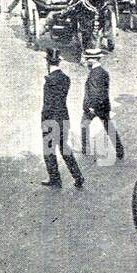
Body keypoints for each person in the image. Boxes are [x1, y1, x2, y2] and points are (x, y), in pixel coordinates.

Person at [39, 49, 84, 189]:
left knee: (49, 151)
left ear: (47, 62)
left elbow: (47, 104)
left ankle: (55, 179)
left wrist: (43, 121)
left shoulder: (49, 81)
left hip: (51, 120)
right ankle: (78, 176)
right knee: (65, 148)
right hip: (63, 117)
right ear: (58, 62)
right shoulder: (66, 79)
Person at [79, 48, 125, 160]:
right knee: (109, 127)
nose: (86, 61)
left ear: (92, 60)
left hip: (94, 107)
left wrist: (91, 107)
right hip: (104, 106)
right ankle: (120, 151)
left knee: (84, 124)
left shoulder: (95, 74)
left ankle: (85, 150)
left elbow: (95, 92)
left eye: (87, 59)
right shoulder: (103, 72)